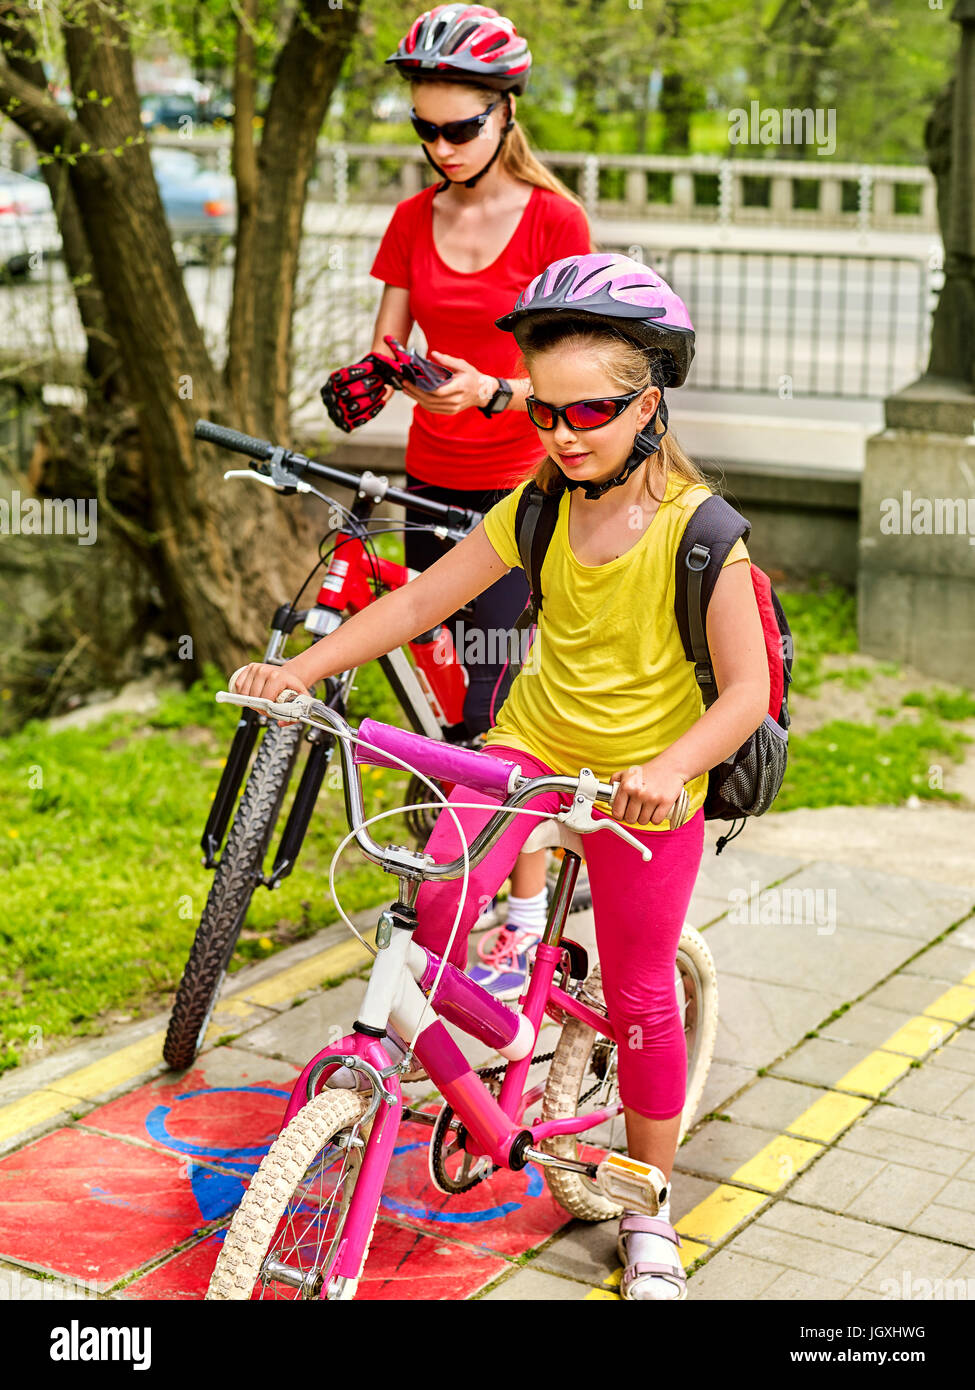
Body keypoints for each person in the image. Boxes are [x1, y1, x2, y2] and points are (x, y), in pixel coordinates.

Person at [232, 251, 770, 1301]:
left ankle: (648, 1205)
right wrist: (298, 669)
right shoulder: (539, 502)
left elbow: (744, 692)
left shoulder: (704, 535)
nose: (565, 434)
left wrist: (667, 767)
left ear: (650, 402)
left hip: (642, 786)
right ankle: (504, 1037)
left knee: (644, 996)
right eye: (547, 414)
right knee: (437, 889)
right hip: (533, 746)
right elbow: (422, 600)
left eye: (592, 412)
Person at [325, 5, 592, 972]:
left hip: (527, 490)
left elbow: (582, 380)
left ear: (505, 115)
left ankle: (520, 925)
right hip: (429, 484)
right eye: (422, 129)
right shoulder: (410, 221)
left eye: (458, 128)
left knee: (494, 703)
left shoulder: (555, 222)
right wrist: (370, 377)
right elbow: (388, 341)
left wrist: (499, 393)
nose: (439, 149)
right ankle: (474, 866)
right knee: (450, 691)